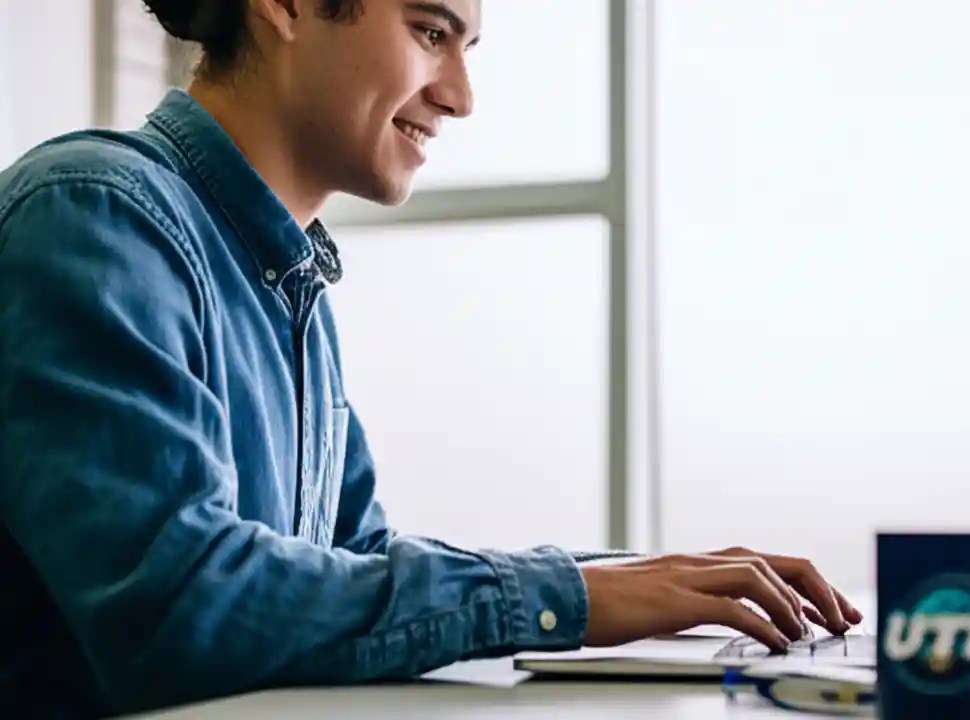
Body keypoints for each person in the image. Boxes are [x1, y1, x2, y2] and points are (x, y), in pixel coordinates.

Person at [0, 1, 861, 716]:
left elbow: (354, 569)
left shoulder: (289, 287)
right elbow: (181, 607)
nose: (460, 96)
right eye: (430, 32)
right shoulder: (94, 216)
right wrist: (569, 595)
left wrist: (626, 582)